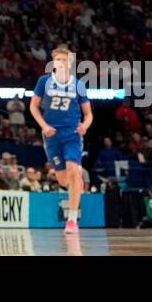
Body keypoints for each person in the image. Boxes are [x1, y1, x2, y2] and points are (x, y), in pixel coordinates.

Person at [30, 45, 91, 233]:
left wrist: (84, 126)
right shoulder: (44, 81)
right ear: (53, 62)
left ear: (70, 62)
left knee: (74, 170)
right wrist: (44, 126)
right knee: (64, 180)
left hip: (72, 134)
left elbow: (88, 114)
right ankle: (74, 180)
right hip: (52, 136)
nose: (61, 63)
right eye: (58, 60)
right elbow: (33, 107)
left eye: (65, 60)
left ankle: (72, 220)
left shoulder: (78, 84)